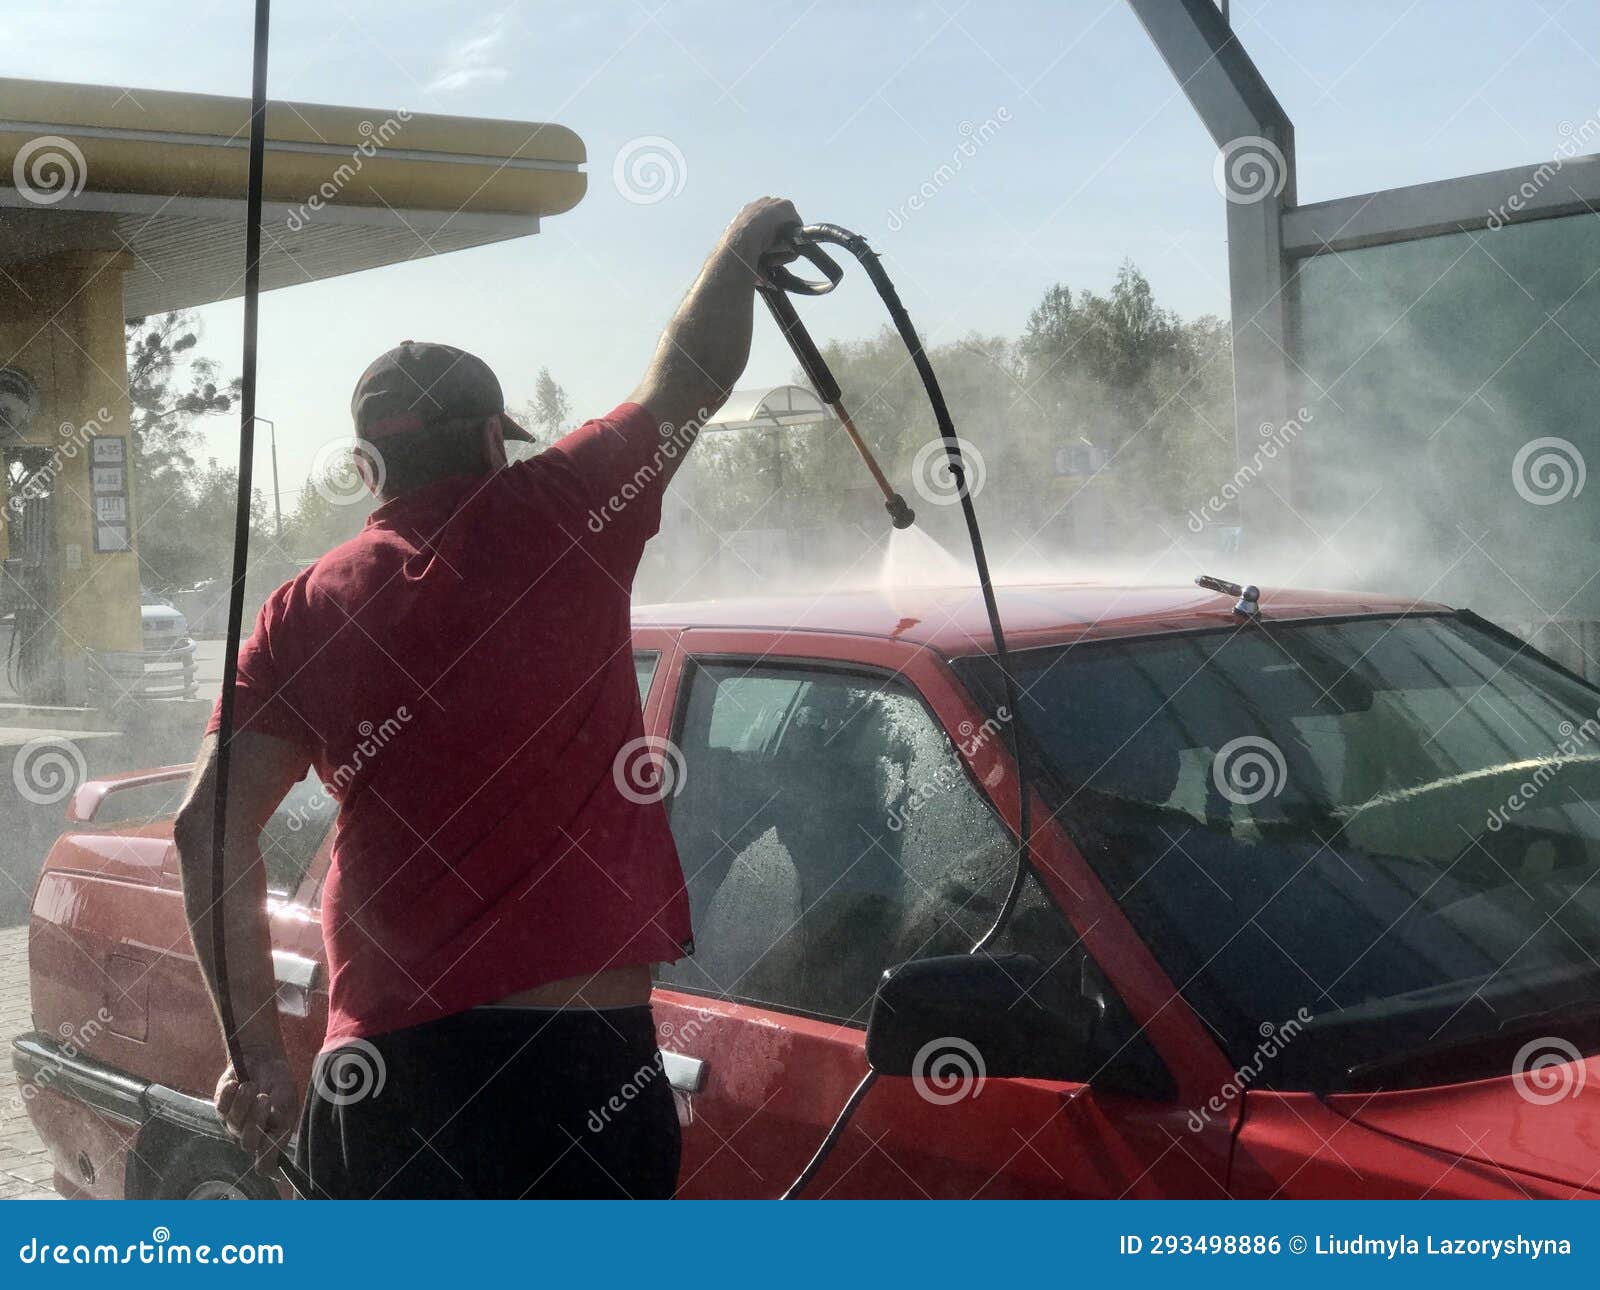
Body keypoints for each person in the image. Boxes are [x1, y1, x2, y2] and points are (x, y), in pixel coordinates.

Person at [172, 196, 804, 1198]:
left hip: (387, 1084)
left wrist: (253, 1056)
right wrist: (744, 241)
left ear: (364, 465)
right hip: (578, 1071)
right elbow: (692, 370)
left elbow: (206, 828)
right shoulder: (564, 512)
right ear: (488, 441)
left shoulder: (303, 609)